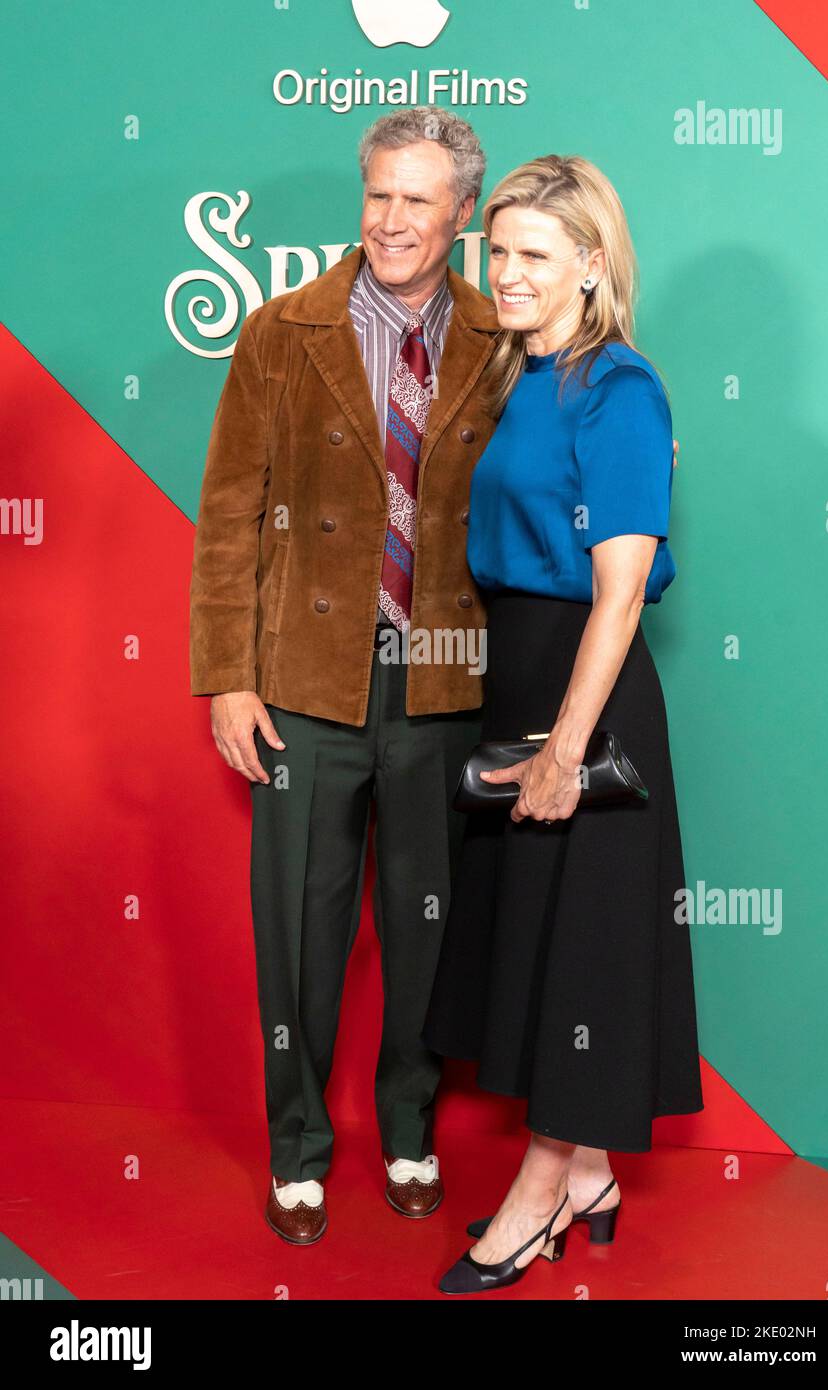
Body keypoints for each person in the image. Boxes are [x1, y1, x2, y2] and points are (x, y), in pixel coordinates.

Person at [189, 107, 501, 1244]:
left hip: (443, 682)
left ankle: (408, 1129)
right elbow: (228, 513)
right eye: (377, 194)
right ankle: (296, 1148)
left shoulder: (499, 333)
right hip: (304, 683)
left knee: (426, 923)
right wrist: (228, 676)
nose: (391, 221)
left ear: (462, 212)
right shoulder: (282, 330)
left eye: (418, 200)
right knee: (301, 928)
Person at [422, 154, 704, 1294]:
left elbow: (621, 586)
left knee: (575, 947)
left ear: (591, 266)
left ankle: (536, 1197)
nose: (509, 274)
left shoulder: (619, 389)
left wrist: (563, 747)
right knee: (534, 938)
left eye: (535, 255)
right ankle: (587, 1171)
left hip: (583, 694)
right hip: (516, 671)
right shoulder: (522, 376)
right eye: (497, 252)